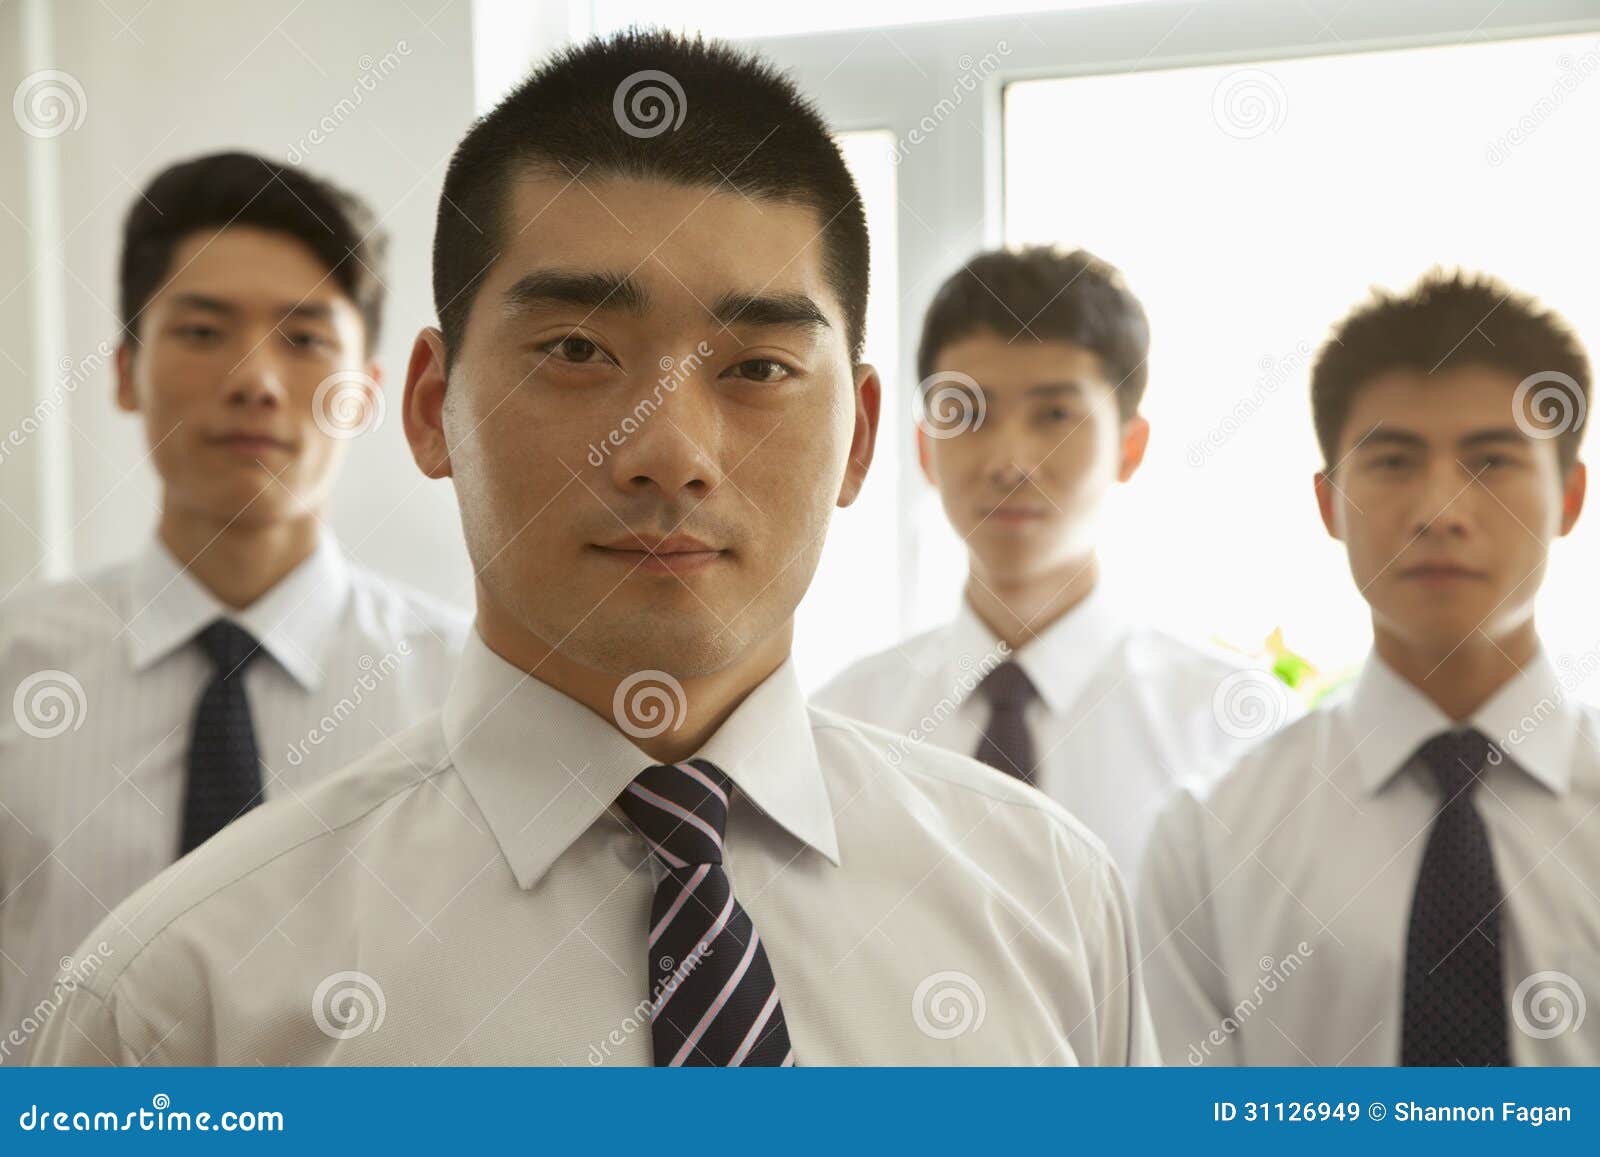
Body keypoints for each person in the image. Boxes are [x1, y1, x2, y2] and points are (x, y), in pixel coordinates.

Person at [28, 31, 1154, 1068]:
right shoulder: (186, 993)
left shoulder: (1045, 901)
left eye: (756, 367)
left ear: (858, 435)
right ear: (430, 406)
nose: (669, 451)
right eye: (577, 348)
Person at [0, 152, 468, 1065]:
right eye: (205, 331)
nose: (255, 380)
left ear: (366, 394)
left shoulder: (463, 690)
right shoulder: (14, 668)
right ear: (127, 372)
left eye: (304, 340)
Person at [1139, 268, 1599, 1066]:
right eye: (1392, 462)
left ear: (1569, 497)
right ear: (1328, 503)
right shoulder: (1211, 838)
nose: (1440, 511)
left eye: (1491, 461)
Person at [814, 246, 1298, 883]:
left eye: (1056, 415)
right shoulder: (843, 726)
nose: (1011, 462)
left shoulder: (1233, 733)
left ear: (1130, 447)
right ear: (925, 447)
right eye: (969, 413)